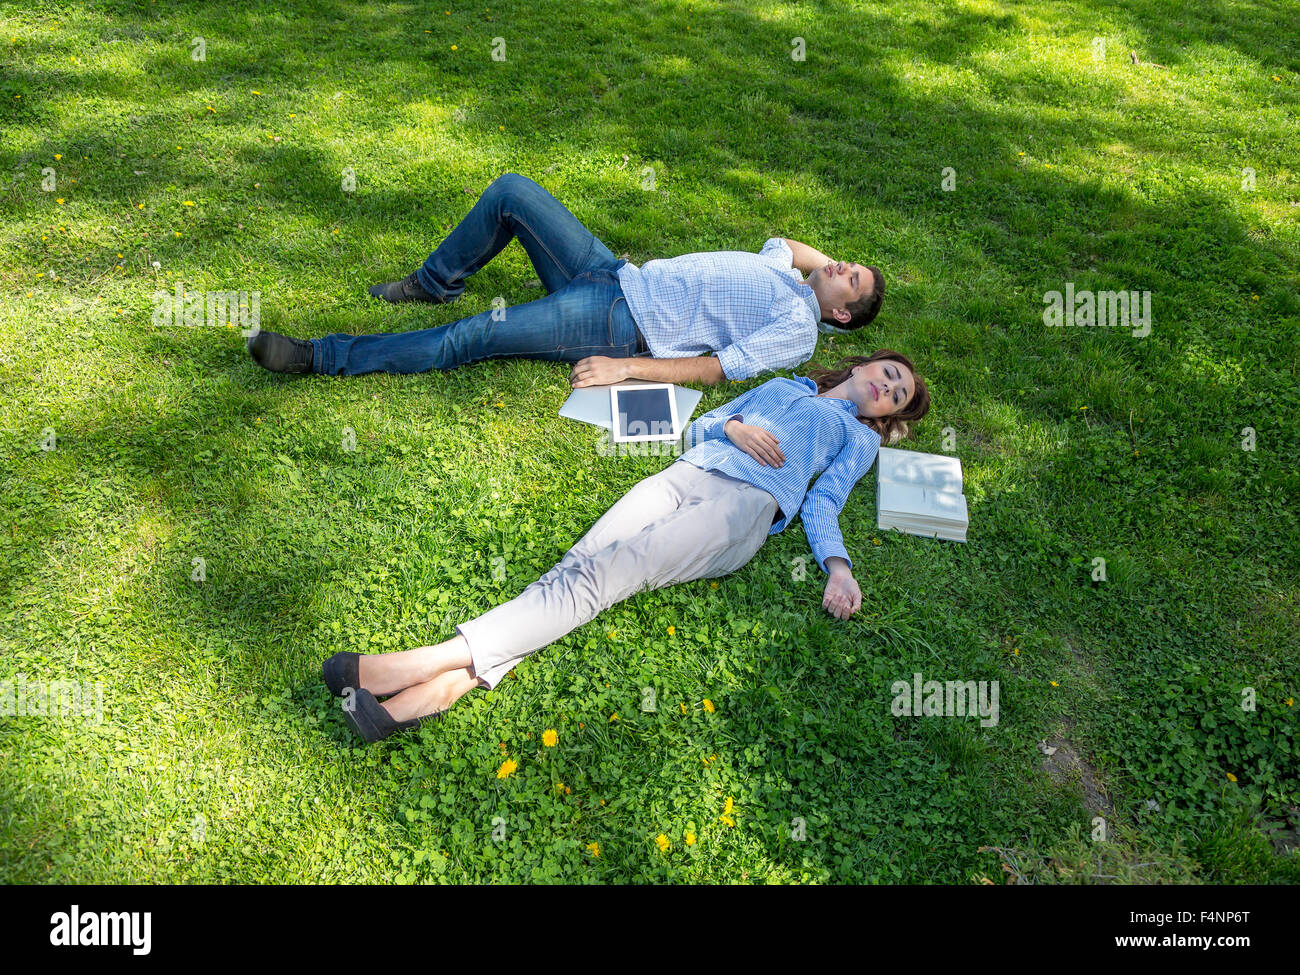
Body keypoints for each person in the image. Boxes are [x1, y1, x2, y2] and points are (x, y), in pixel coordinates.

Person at [322, 350, 930, 742]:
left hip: (740, 508)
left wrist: (838, 567)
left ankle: (415, 664)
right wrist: (734, 426)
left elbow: (825, 502)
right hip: (684, 474)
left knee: (608, 573)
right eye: (890, 374)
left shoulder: (858, 438)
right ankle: (442, 690)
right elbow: (702, 425)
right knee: (580, 565)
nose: (888, 388)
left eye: (897, 396)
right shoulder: (786, 385)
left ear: (886, 416)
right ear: (865, 364)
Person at [247, 172, 885, 387]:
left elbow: (718, 370)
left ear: (842, 317)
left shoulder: (798, 331)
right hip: (611, 271)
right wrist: (823, 270)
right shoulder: (788, 272)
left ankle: (320, 356)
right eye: (847, 263)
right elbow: (792, 245)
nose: (837, 268)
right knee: (513, 193)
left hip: (617, 323)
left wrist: (622, 368)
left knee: (473, 336)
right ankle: (433, 280)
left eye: (849, 282)